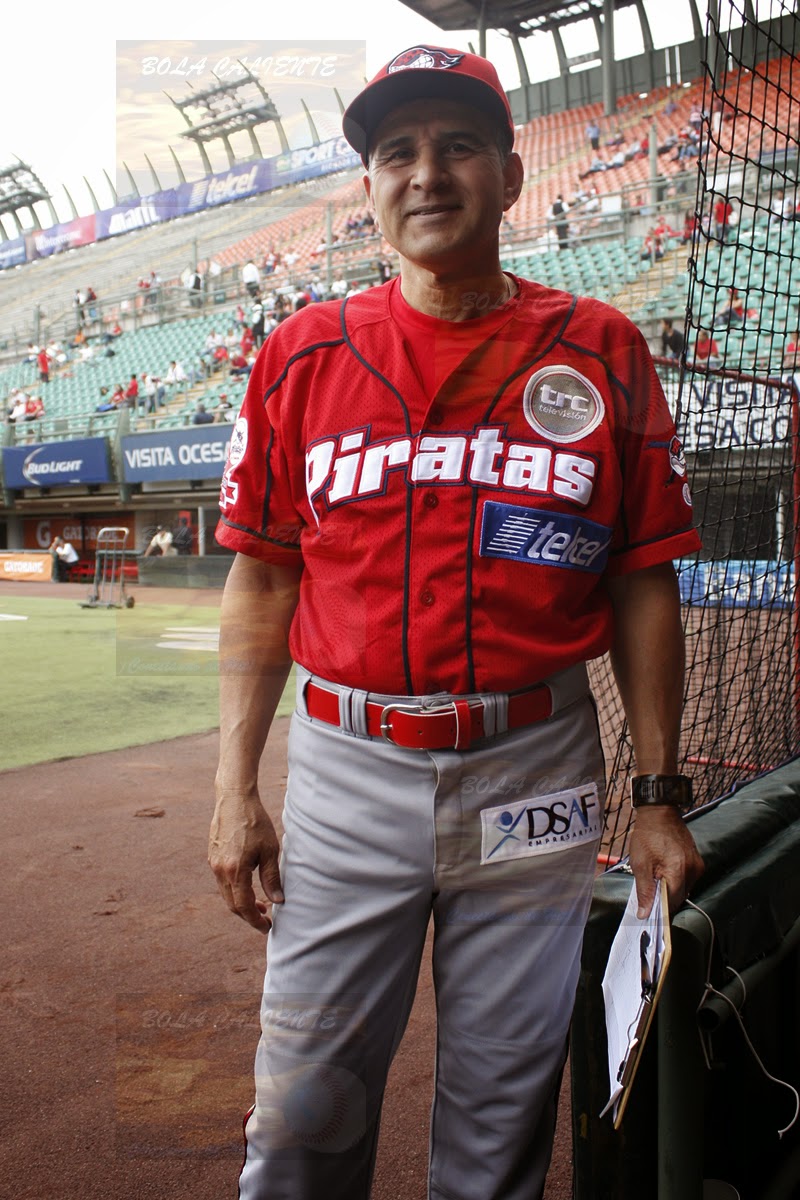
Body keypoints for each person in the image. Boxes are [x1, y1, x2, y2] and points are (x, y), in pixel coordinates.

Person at [210, 45, 704, 1200]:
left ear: (511, 175)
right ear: (371, 188)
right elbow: (262, 581)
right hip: (345, 767)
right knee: (300, 1116)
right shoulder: (300, 355)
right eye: (396, 153)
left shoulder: (601, 348)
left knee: (500, 1121)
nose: (426, 173)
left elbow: (641, 577)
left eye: (457, 145)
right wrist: (236, 785)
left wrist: (657, 797)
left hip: (534, 765)